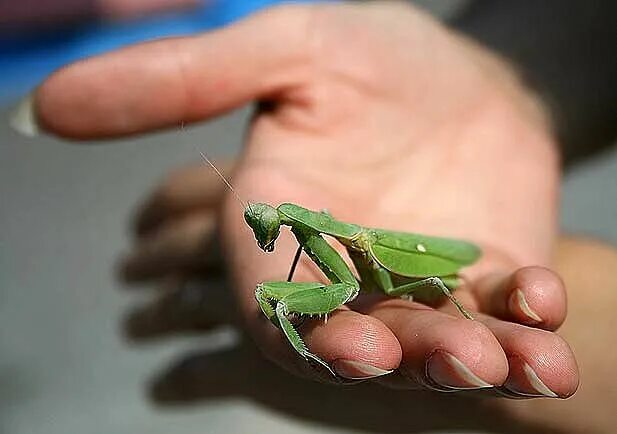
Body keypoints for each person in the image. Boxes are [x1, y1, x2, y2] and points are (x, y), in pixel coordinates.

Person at [10, 1, 617, 429]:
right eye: (265, 225)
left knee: (425, 283)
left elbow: (349, 284)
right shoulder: (309, 239)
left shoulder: (329, 241)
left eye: (269, 224)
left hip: (436, 262)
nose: (266, 231)